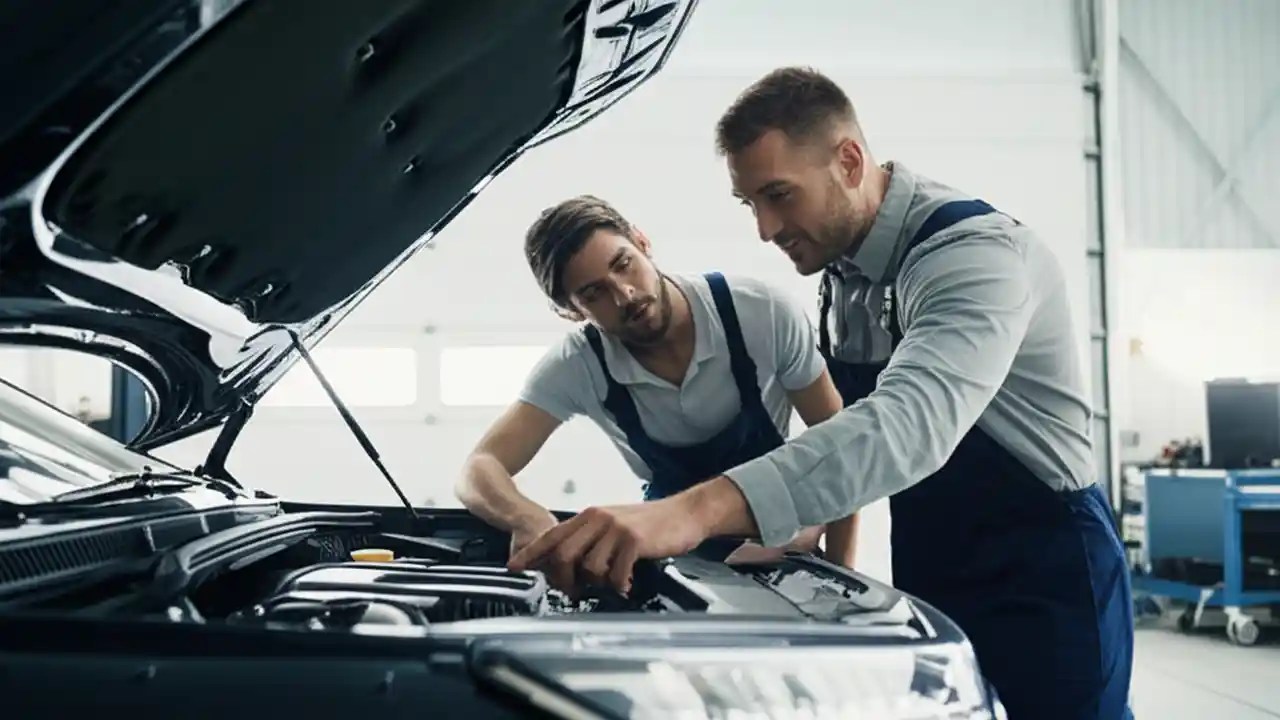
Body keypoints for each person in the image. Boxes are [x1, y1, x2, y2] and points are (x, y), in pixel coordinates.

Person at [509, 68, 1134, 720]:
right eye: (750, 203)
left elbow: (902, 429)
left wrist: (687, 513)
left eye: (779, 195)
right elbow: (843, 434)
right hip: (936, 560)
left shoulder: (973, 257)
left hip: (1047, 571)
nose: (766, 228)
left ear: (849, 160)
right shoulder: (842, 275)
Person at [454, 194, 859, 576]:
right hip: (676, 568)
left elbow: (844, 451)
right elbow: (477, 470)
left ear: (642, 242)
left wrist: (844, 581)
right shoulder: (578, 364)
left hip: (781, 557)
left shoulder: (761, 313)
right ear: (570, 312)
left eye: (623, 264)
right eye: (595, 293)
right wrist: (530, 519)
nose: (625, 294)